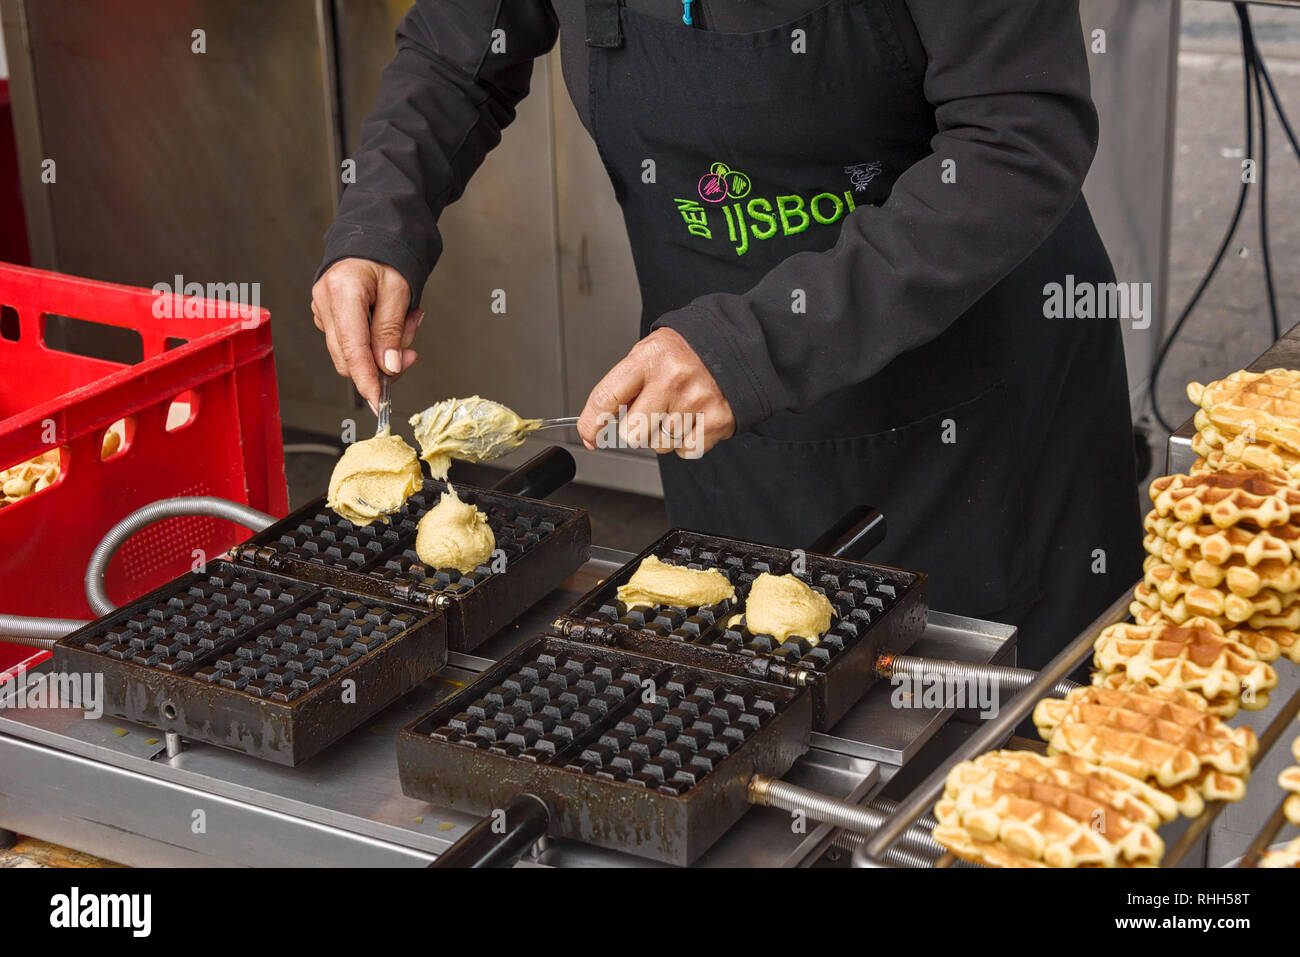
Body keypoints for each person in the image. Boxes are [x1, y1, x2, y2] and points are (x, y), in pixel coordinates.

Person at [310, 0, 1142, 671]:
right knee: (762, 749)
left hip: (978, 430)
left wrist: (758, 344)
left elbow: (1018, 138)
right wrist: (380, 221)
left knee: (1015, 787)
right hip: (730, 433)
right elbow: (458, 48)